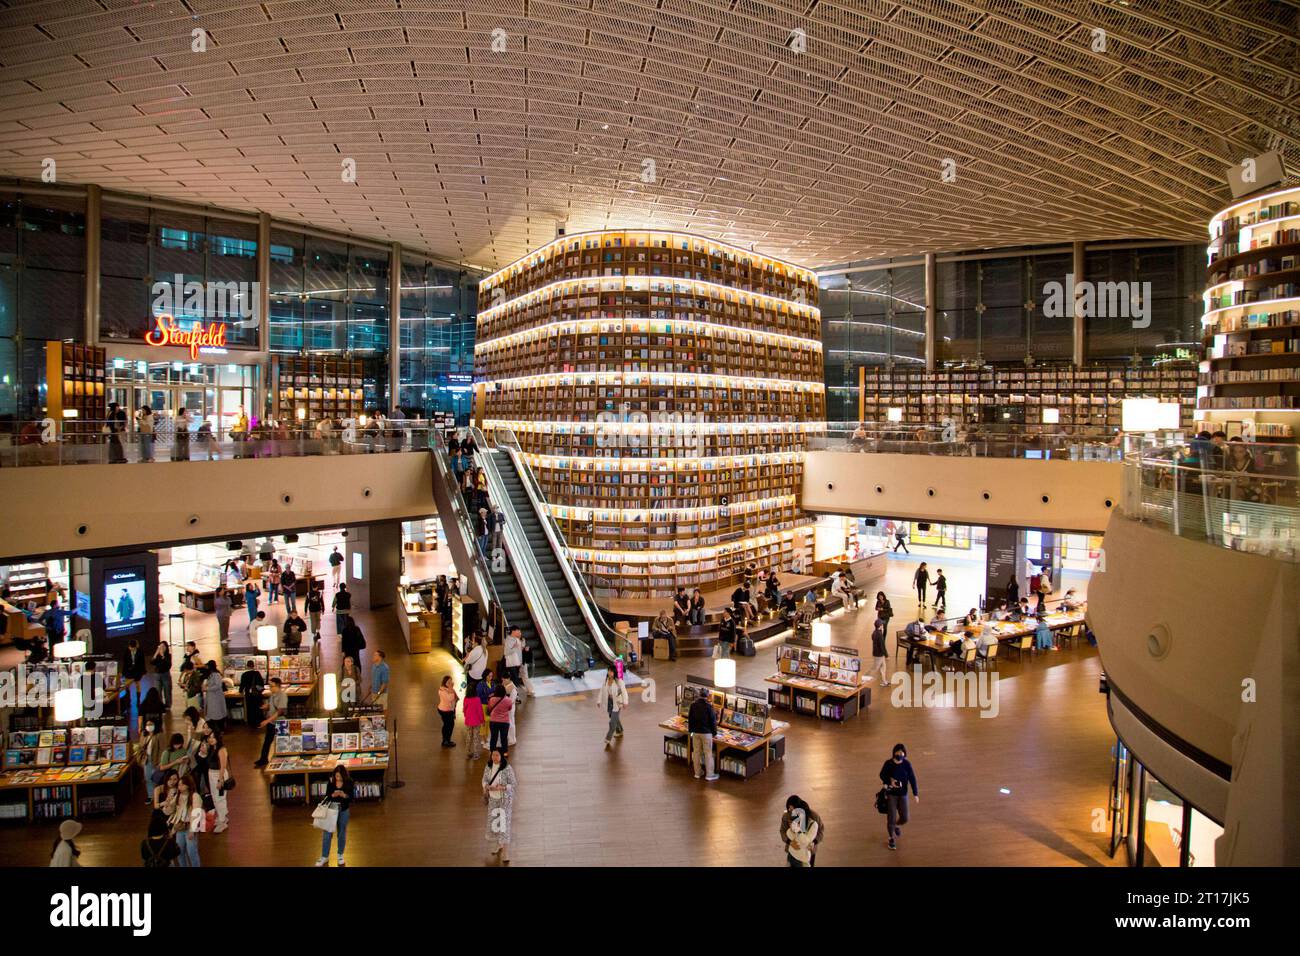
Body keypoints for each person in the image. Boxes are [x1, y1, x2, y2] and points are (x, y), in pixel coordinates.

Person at [880, 742, 919, 850]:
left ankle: (896, 825)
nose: (900, 754)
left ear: (904, 754)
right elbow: (882, 774)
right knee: (891, 818)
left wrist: (915, 793)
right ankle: (891, 838)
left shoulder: (907, 764)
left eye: (902, 752)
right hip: (891, 795)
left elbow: (912, 778)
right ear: (894, 753)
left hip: (903, 794)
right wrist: (890, 781)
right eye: (898, 752)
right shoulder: (888, 763)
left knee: (905, 818)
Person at [482, 748, 516, 863]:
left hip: (504, 801)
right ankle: (498, 845)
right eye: (493, 755)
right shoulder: (488, 766)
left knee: (504, 825)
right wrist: (487, 786)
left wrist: (503, 787)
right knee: (496, 823)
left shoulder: (507, 768)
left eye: (497, 755)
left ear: (501, 756)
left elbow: (513, 784)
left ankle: (506, 852)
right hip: (493, 800)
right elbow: (484, 780)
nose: (494, 757)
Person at [316, 766, 354, 867]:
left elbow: (351, 798)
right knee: (327, 834)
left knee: (341, 833)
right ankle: (324, 856)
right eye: (336, 776)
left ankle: (340, 855)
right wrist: (333, 795)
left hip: (343, 810)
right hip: (331, 810)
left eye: (340, 776)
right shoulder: (331, 782)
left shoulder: (349, 782)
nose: (338, 778)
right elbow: (327, 796)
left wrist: (344, 795)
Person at [198, 727, 230, 834]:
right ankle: (222, 817)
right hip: (211, 774)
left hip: (218, 775)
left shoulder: (222, 750)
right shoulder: (212, 748)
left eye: (213, 737)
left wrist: (220, 780)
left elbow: (223, 766)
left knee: (220, 798)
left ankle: (222, 820)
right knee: (215, 797)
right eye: (210, 737)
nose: (211, 739)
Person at [780, 795, 825, 867]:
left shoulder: (814, 816)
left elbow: (821, 831)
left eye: (792, 809)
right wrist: (790, 842)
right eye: (788, 808)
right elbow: (782, 831)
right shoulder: (786, 816)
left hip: (808, 852)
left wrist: (814, 842)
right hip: (793, 851)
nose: (789, 811)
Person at [170, 774, 203, 867]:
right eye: (179, 785)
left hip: (189, 827)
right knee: (180, 852)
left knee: (192, 853)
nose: (179, 787)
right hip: (180, 827)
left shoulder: (195, 796)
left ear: (188, 785)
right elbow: (171, 811)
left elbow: (196, 814)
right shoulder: (178, 796)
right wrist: (168, 803)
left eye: (182, 785)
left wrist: (192, 831)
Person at [254, 678, 288, 767]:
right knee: (267, 741)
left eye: (272, 686)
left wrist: (267, 721)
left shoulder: (282, 696)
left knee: (282, 742)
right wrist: (266, 707)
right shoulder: (272, 695)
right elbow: (271, 706)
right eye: (270, 686)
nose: (270, 688)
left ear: (277, 686)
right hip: (271, 722)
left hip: (280, 723)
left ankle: (283, 759)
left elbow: (280, 711)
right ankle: (263, 759)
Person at [688, 688, 719, 781]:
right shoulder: (709, 707)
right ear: (707, 695)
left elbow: (690, 719)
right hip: (706, 733)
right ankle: (709, 774)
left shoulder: (693, 705)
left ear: (699, 695)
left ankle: (697, 773)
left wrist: (691, 731)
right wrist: (714, 733)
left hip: (695, 732)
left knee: (696, 752)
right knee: (708, 753)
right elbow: (713, 721)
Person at [598, 669, 629, 747]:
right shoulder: (605, 681)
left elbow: (624, 692)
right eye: (608, 671)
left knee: (612, 721)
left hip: (617, 703)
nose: (609, 673)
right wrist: (599, 701)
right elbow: (601, 691)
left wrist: (625, 702)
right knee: (613, 717)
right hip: (609, 703)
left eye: (611, 671)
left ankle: (608, 737)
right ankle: (620, 730)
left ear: (614, 672)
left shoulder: (619, 681)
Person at [137, 718, 165, 802]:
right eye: (147, 725)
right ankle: (150, 795)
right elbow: (140, 746)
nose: (149, 726)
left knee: (156, 778)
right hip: (147, 759)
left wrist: (161, 761)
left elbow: (162, 749)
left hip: (156, 759)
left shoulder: (159, 735)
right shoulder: (144, 735)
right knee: (147, 777)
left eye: (151, 724)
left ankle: (158, 795)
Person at [486, 683, 513, 753]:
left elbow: (489, 708)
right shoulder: (508, 700)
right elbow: (509, 708)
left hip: (493, 722)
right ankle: (505, 752)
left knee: (493, 737)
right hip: (504, 722)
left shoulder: (492, 699)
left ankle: (492, 752)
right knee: (504, 738)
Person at [239, 658, 265, 729]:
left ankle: (251, 723)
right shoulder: (257, 673)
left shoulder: (244, 674)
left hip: (249, 694)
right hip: (257, 694)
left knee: (250, 708)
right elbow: (262, 684)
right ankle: (259, 722)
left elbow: (242, 685)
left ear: (247, 666)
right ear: (253, 666)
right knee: (258, 708)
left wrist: (240, 691)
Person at [203, 660, 227, 732]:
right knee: (213, 713)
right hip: (212, 697)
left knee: (217, 714)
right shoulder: (212, 675)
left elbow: (218, 686)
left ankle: (219, 729)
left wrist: (207, 689)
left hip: (215, 698)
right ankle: (215, 729)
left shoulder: (216, 675)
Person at [122, 638, 146, 708]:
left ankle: (138, 700)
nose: (131, 649)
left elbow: (142, 662)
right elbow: (125, 662)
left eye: (132, 648)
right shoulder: (126, 651)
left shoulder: (140, 651)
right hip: (128, 671)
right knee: (127, 685)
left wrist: (143, 671)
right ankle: (128, 701)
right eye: (130, 647)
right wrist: (123, 672)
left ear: (135, 647)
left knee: (137, 685)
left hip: (137, 671)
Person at [463, 684, 484, 759]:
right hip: (476, 721)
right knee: (476, 737)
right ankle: (476, 754)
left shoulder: (466, 698)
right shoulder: (477, 699)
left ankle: (468, 753)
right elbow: (480, 711)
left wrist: (466, 716)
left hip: (468, 721)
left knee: (469, 736)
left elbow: (464, 709)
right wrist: (482, 720)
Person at [437, 675, 459, 747]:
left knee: (447, 725)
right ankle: (446, 741)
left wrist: (452, 690)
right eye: (448, 682)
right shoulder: (443, 690)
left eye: (451, 681)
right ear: (444, 683)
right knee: (449, 725)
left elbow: (455, 697)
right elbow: (450, 699)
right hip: (445, 711)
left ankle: (445, 740)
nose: (450, 683)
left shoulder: (448, 689)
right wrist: (451, 689)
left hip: (448, 710)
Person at [151, 639, 173, 708]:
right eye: (160, 646)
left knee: (167, 691)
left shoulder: (168, 655)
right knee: (158, 691)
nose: (162, 648)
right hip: (157, 675)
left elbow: (168, 665)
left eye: (163, 647)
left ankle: (168, 705)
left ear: (166, 648)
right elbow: (152, 662)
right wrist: (156, 653)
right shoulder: (157, 655)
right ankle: (159, 705)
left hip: (165, 675)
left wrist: (163, 656)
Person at [869, 616, 889, 684]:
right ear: (880, 626)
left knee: (883, 667)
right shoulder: (879, 635)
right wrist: (886, 655)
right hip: (879, 654)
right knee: (874, 668)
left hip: (878, 653)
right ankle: (863, 679)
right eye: (882, 624)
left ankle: (884, 681)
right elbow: (882, 646)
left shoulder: (875, 632)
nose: (883, 625)